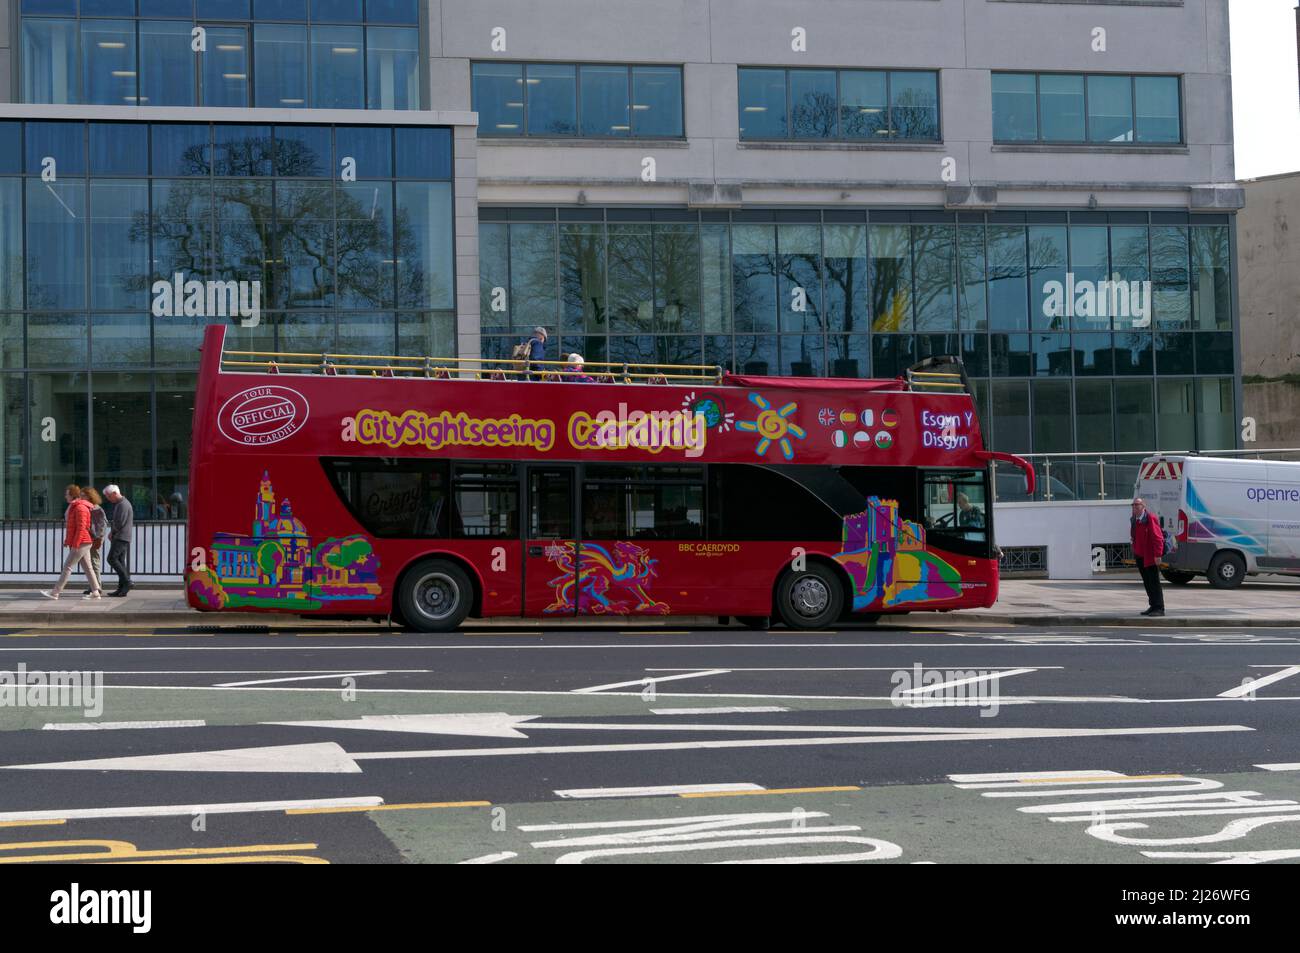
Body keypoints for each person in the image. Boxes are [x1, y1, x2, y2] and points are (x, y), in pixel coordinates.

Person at [41, 485, 103, 601]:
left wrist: (75, 544)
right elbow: (72, 527)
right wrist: (68, 541)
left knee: (67, 567)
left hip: (82, 542)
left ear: (72, 495)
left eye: (67, 494)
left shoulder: (80, 508)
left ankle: (55, 592)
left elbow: (81, 528)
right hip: (82, 541)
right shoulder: (75, 507)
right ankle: (96, 591)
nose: (65, 496)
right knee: (88, 568)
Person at [1130, 497, 1165, 617]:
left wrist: (1158, 555)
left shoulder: (1150, 518)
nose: (1135, 507)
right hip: (1140, 555)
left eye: (1137, 505)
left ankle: (1159, 608)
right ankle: (1152, 605)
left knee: (1154, 582)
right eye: (1133, 505)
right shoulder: (1134, 519)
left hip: (1150, 556)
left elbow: (1158, 538)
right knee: (1147, 582)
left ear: (1143, 506)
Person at [103, 484, 134, 598]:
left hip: (121, 536)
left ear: (115, 493)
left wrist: (112, 532)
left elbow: (120, 522)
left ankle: (127, 582)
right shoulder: (120, 504)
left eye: (109, 496)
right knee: (120, 560)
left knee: (112, 558)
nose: (108, 499)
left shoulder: (123, 504)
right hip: (122, 536)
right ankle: (122, 588)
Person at [80, 486, 108, 596]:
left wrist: (99, 538)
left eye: (84, 496)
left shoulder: (96, 509)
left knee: (94, 562)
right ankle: (93, 585)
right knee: (90, 563)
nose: (81, 498)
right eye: (81, 495)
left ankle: (97, 586)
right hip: (89, 538)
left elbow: (102, 525)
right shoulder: (88, 508)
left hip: (94, 538)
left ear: (90, 496)